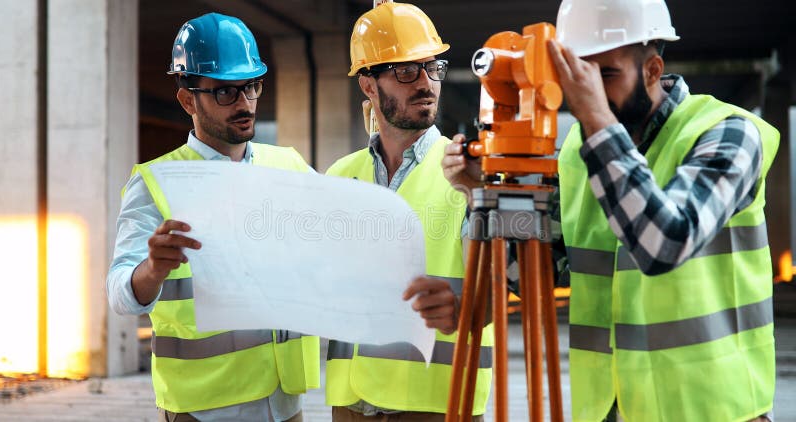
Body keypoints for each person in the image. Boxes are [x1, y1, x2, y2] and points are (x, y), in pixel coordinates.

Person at [442, 0, 780, 421]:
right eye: (582, 74)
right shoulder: (579, 153)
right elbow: (533, 278)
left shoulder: (726, 132)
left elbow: (665, 243)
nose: (590, 92)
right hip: (608, 410)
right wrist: (483, 192)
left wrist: (599, 123)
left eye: (607, 74)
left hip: (713, 410)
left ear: (653, 70)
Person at [107, 13, 319, 422]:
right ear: (188, 99)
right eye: (225, 92)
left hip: (284, 402)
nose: (243, 104)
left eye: (251, 87)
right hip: (203, 408)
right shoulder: (155, 182)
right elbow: (119, 293)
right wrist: (151, 270)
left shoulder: (289, 167)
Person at [323, 2, 492, 421]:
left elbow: (491, 296)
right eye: (405, 71)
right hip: (352, 403)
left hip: (439, 401)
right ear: (368, 85)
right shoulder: (340, 177)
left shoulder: (467, 173)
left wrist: (482, 195)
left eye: (431, 67)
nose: (425, 83)